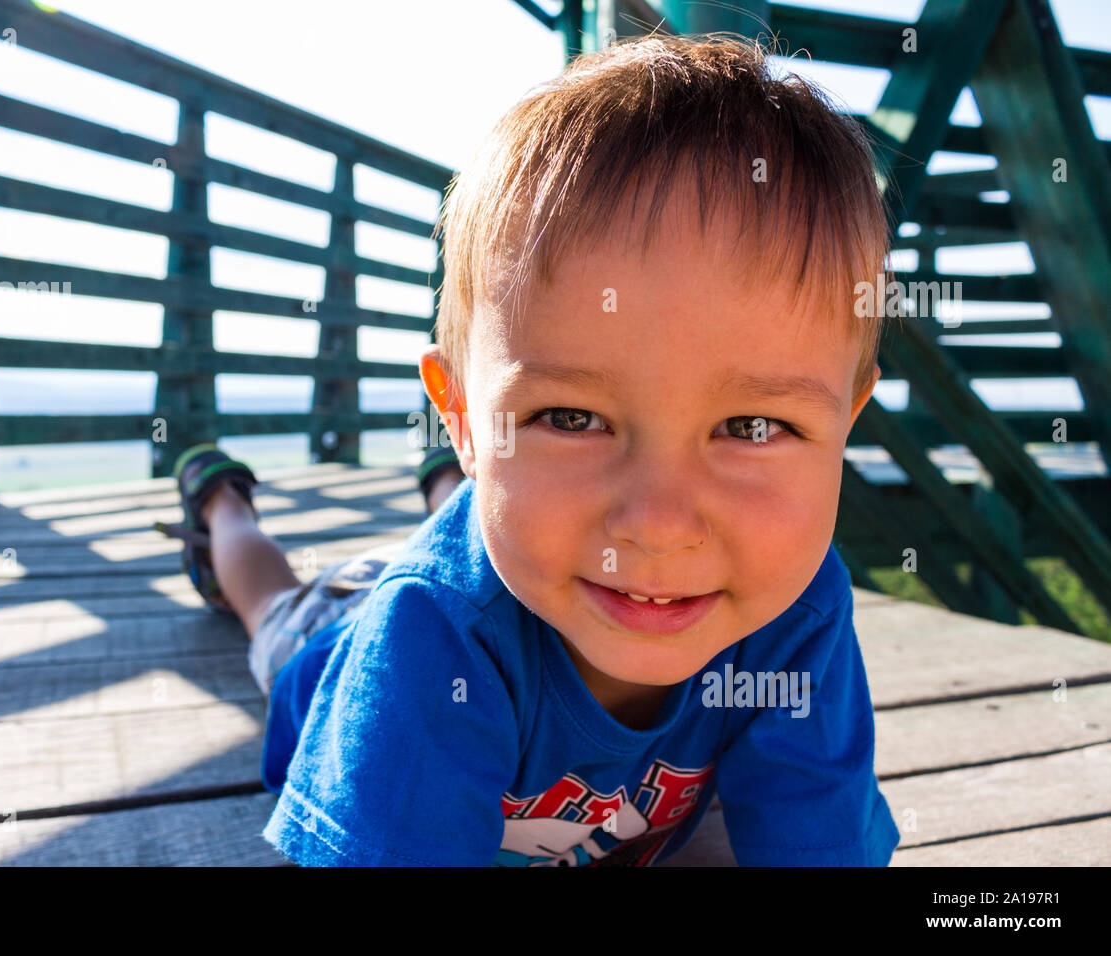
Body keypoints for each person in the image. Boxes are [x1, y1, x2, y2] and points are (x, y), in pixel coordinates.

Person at [158, 32, 901, 866]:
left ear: (845, 419)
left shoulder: (796, 611)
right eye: (573, 418)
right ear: (465, 413)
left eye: (753, 427)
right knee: (274, 608)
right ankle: (223, 503)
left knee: (515, 521)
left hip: (505, 537)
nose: (658, 527)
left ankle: (462, 483)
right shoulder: (428, 640)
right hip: (342, 633)